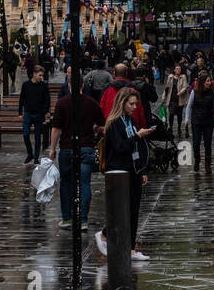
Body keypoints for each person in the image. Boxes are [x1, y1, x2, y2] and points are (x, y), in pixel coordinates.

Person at [94, 88, 154, 262]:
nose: (135, 107)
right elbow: (120, 147)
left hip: (133, 170)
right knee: (122, 209)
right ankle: (105, 233)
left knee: (134, 210)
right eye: (131, 104)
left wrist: (142, 170)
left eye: (136, 104)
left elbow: (134, 148)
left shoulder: (131, 120)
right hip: (119, 171)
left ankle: (131, 248)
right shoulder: (114, 123)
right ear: (122, 103)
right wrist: (137, 136)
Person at [48, 86, 104, 229]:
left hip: (67, 147)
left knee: (66, 183)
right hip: (86, 147)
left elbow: (56, 128)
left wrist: (52, 148)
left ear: (69, 85)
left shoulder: (62, 103)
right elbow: (101, 124)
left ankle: (67, 218)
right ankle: (83, 220)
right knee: (84, 183)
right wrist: (94, 129)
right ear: (82, 85)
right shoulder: (91, 103)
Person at [17, 66, 51, 165]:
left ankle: (36, 157)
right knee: (25, 134)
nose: (41, 77)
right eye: (40, 75)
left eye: (42, 75)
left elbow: (47, 101)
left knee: (37, 137)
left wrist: (43, 112)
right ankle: (30, 154)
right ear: (34, 74)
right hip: (28, 113)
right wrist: (20, 112)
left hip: (39, 114)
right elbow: (22, 99)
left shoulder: (44, 86)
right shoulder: (26, 85)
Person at [187, 71, 214, 173]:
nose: (210, 83)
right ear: (203, 82)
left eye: (210, 81)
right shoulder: (194, 92)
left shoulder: (213, 92)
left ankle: (207, 164)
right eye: (208, 81)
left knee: (208, 143)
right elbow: (189, 106)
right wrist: (186, 119)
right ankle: (197, 160)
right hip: (196, 121)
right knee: (196, 143)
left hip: (208, 121)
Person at [163, 64, 188, 137]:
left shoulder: (183, 77)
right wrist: (164, 95)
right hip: (171, 98)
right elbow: (167, 87)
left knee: (179, 115)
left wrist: (181, 92)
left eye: (179, 69)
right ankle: (170, 127)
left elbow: (185, 86)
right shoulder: (170, 77)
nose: (178, 70)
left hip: (179, 99)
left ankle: (179, 128)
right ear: (174, 70)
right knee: (171, 114)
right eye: (177, 69)